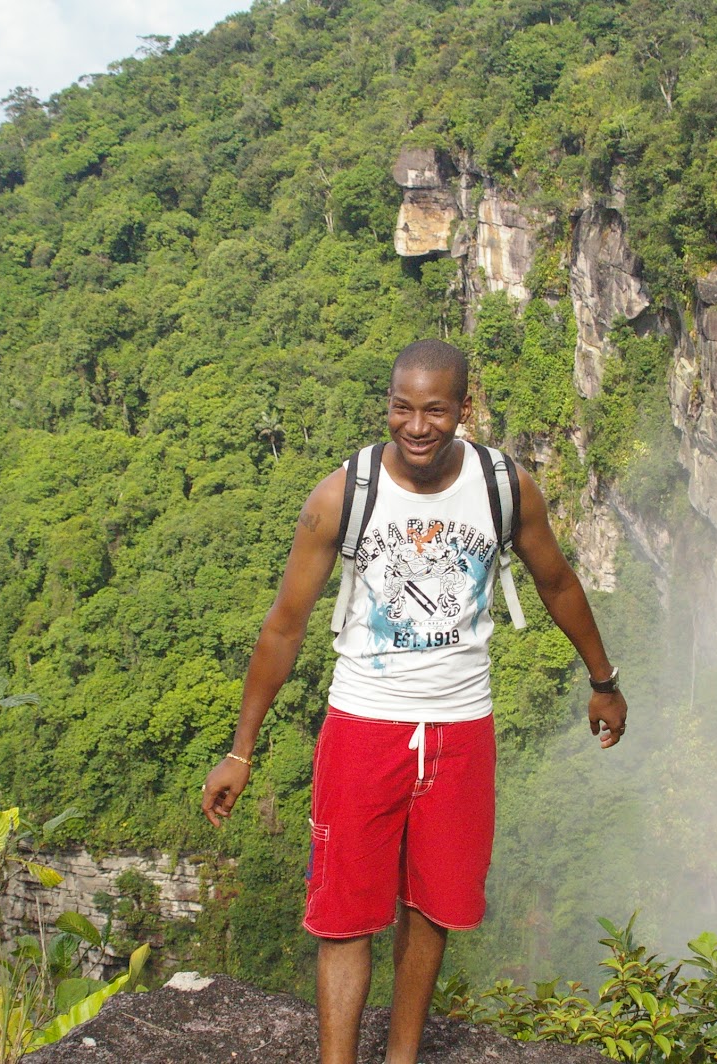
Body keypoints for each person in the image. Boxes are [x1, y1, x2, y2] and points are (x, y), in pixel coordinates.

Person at [201, 339, 629, 1064]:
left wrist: (603, 680)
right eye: (403, 407)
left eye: (436, 409)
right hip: (365, 723)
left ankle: (402, 1058)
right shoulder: (344, 494)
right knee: (344, 917)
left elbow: (557, 583)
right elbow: (284, 624)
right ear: (389, 404)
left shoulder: (504, 486)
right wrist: (241, 749)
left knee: (432, 907)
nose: (418, 426)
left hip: (462, 726)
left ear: (466, 407)